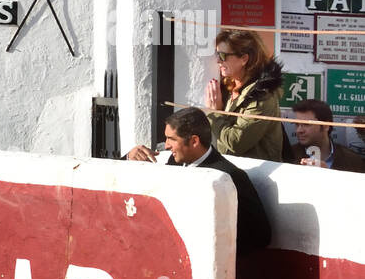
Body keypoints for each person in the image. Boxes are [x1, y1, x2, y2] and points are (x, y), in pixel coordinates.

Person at [126, 107, 271, 254]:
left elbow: (260, 236)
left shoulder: (230, 176)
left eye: (172, 139)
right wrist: (128, 157)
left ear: (194, 141)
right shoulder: (173, 161)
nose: (167, 145)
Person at [203, 29, 284, 161]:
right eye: (217, 54)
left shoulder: (262, 96)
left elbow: (236, 142)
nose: (218, 60)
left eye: (223, 56)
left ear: (244, 59)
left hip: (256, 177)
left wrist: (214, 113)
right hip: (233, 171)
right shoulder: (228, 87)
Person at [284, 99, 365, 172]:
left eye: (306, 124)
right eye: (297, 124)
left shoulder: (352, 160)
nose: (299, 130)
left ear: (326, 126)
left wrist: (328, 175)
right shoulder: (287, 158)